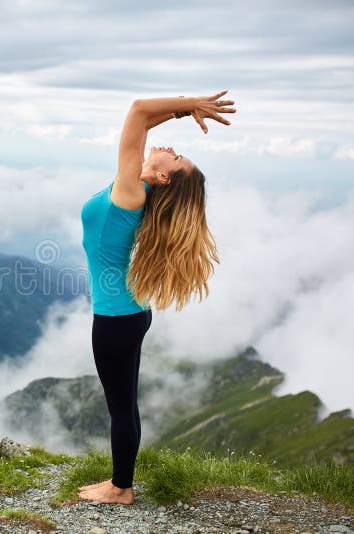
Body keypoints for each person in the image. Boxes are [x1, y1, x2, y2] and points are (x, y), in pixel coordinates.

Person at [77, 90, 236, 504]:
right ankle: (121, 482)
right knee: (126, 405)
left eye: (176, 156)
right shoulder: (137, 190)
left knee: (121, 408)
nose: (168, 148)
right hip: (130, 313)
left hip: (115, 319)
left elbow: (137, 112)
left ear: (164, 177)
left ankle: (120, 488)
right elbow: (144, 124)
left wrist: (190, 105)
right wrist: (182, 112)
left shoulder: (131, 192)